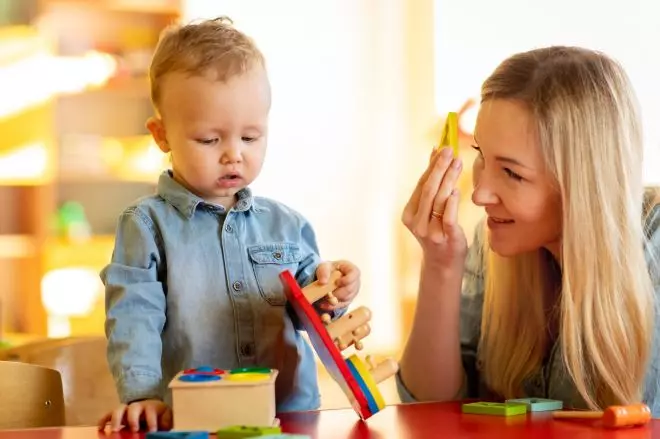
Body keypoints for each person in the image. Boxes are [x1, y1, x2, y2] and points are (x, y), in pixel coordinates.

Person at [97, 17, 361, 432]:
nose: (233, 154)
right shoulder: (146, 226)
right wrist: (142, 393)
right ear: (162, 134)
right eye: (209, 139)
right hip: (192, 421)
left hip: (288, 417)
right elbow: (134, 316)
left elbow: (319, 309)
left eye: (251, 137)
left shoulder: (288, 225)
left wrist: (336, 290)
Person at [398, 45, 660, 417]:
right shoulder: (491, 247)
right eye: (481, 156)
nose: (479, 194)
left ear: (582, 181)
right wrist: (439, 266)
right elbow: (431, 408)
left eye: (512, 173)